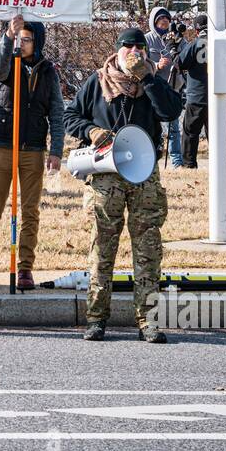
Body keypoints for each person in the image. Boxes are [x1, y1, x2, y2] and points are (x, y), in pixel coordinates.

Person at [65, 28, 183, 342]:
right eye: (127, 46)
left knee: (148, 250)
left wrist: (149, 79)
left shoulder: (152, 82)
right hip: (106, 176)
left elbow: (170, 111)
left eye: (139, 46)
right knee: (102, 249)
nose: (134, 50)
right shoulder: (98, 81)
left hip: (144, 175)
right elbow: (70, 115)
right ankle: (96, 318)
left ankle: (148, 322)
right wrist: (90, 130)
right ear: (117, 50)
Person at [0, 15, 64, 291]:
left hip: (33, 149)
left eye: (26, 39)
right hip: (3, 146)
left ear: (37, 43)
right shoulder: (8, 63)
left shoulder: (48, 71)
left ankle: (25, 268)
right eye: (19, 39)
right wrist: (6, 37)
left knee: (30, 212)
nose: (22, 44)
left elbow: (57, 112)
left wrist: (56, 150)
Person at [145, 6, 185, 167]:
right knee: (150, 125)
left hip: (171, 89)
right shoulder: (146, 40)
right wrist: (156, 65)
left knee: (174, 127)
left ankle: (176, 161)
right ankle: (149, 157)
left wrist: (180, 65)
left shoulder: (175, 38)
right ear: (154, 22)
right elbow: (139, 63)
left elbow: (186, 55)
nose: (164, 21)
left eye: (167, 19)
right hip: (152, 90)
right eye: (161, 19)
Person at [176, 13, 208, 168]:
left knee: (190, 132)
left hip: (197, 95)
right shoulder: (220, 42)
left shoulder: (196, 43)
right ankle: (219, 163)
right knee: (215, 133)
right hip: (217, 96)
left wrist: (173, 46)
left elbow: (180, 63)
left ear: (196, 30)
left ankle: (189, 164)